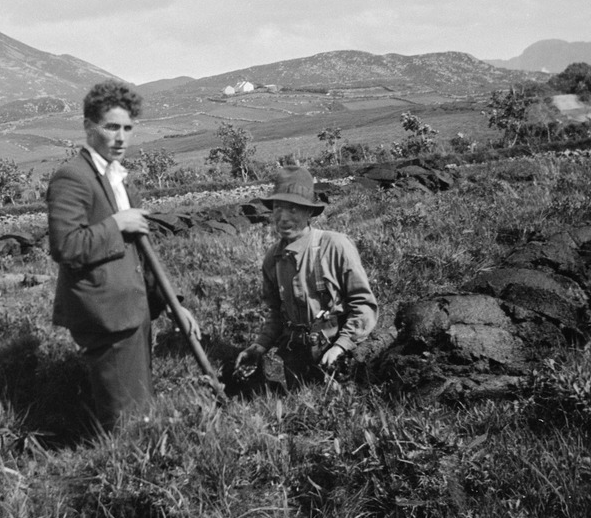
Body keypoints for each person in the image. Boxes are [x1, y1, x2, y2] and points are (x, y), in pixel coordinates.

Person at [47, 81, 200, 431]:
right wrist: (116, 223)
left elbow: (137, 253)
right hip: (106, 315)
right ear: (89, 128)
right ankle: (124, 474)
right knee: (126, 418)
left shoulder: (116, 178)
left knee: (138, 406)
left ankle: (137, 467)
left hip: (131, 309)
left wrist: (174, 305)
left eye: (127, 128)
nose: (120, 137)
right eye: (111, 127)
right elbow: (65, 246)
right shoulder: (72, 178)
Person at [235, 164, 378, 388]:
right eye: (278, 208)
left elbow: (364, 306)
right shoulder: (273, 258)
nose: (283, 217)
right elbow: (275, 313)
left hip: (336, 352)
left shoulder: (334, 246)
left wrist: (341, 346)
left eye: (293, 209)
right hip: (295, 357)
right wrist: (258, 347)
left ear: (309, 212)